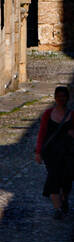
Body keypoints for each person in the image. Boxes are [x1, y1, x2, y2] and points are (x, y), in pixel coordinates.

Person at [34, 85, 74, 219]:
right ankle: (57, 209)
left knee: (66, 180)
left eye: (64, 96)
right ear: (55, 98)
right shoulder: (48, 114)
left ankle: (64, 199)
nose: (61, 99)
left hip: (68, 153)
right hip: (51, 154)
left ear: (67, 98)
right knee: (53, 178)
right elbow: (42, 133)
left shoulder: (72, 115)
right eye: (59, 96)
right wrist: (38, 152)